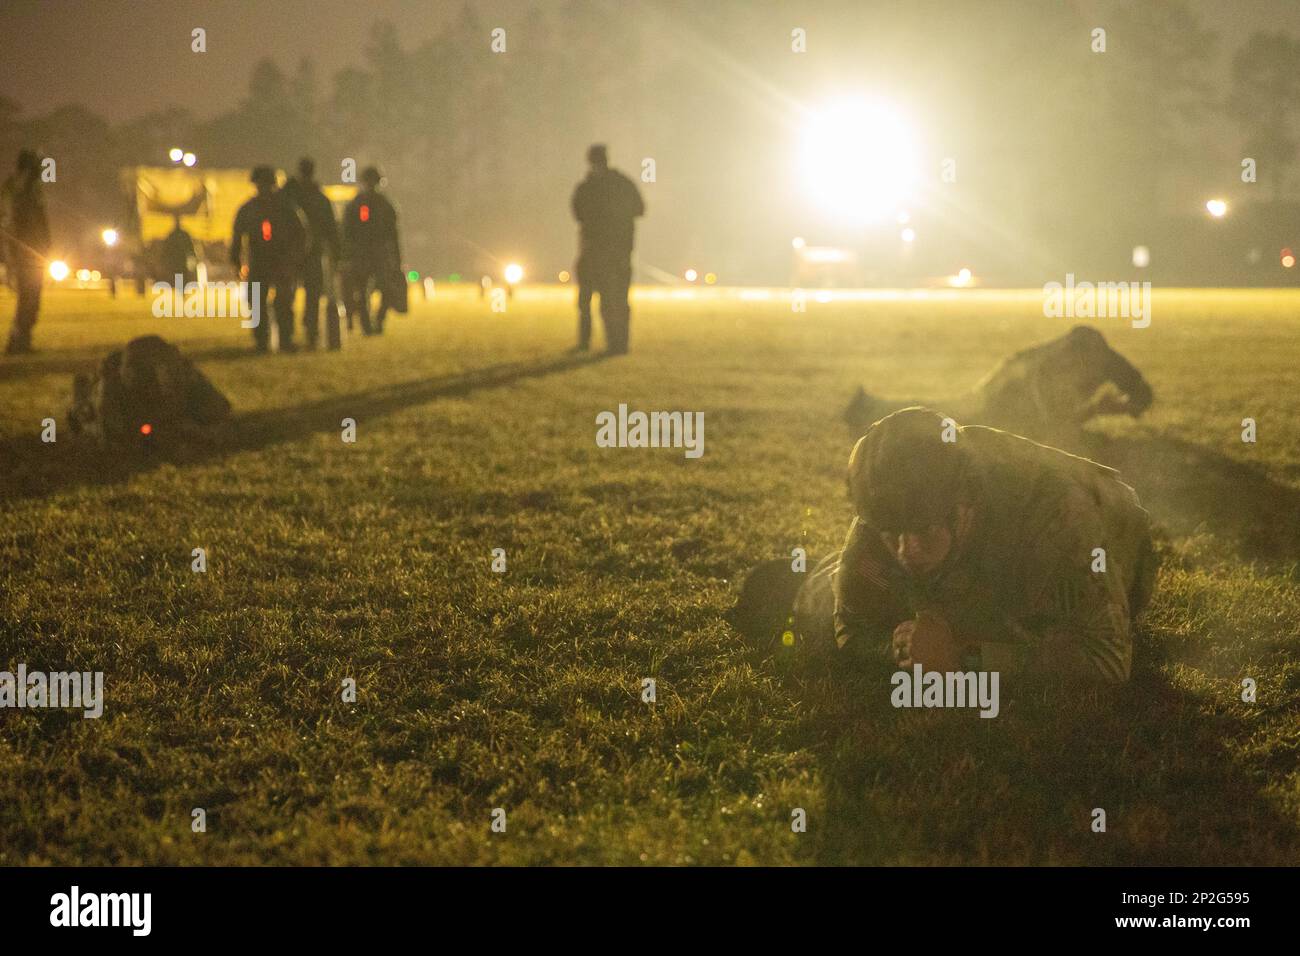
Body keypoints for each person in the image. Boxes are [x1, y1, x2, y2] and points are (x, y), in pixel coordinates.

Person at [739, 407, 1157, 684]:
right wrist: (900, 651)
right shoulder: (895, 505)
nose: (906, 550)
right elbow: (851, 625)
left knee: (1024, 624)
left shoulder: (1058, 520)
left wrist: (966, 659)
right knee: (815, 608)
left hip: (1100, 560)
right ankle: (826, 572)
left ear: (966, 506)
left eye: (923, 531)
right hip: (976, 566)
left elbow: (1108, 661)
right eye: (891, 534)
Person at [843, 325, 1154, 451]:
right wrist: (1095, 410)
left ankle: (872, 406)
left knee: (953, 411)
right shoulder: (1044, 372)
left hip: (1022, 398)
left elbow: (1142, 392)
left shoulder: (1109, 363)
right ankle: (869, 409)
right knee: (953, 412)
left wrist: (1127, 406)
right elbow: (1050, 424)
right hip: (1005, 390)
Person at [570, 144, 644, 355]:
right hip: (617, 253)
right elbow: (640, 208)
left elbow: (577, 214)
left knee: (590, 300)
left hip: (594, 252)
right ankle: (618, 343)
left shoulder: (586, 188)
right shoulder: (623, 184)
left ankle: (588, 342)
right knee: (616, 300)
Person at [229, 166, 306, 353]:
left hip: (281, 260)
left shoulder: (286, 208)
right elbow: (237, 237)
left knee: (283, 302)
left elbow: (301, 234)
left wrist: (295, 259)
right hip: (261, 261)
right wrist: (237, 262)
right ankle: (262, 341)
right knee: (257, 302)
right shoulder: (254, 209)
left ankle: (284, 340)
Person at [285, 157, 341, 350]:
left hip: (291, 253)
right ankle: (310, 332)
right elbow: (332, 230)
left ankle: (288, 333)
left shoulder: (289, 195)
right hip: (311, 253)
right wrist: (337, 254)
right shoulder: (320, 198)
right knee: (312, 295)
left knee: (288, 295)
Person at [1, 149, 51, 355]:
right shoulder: (20, 193)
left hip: (31, 252)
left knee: (31, 298)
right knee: (28, 299)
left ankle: (22, 340)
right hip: (26, 254)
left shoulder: (27, 191)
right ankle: (18, 342)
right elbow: (16, 226)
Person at [341, 166, 400, 336]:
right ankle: (367, 325)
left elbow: (393, 233)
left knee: (386, 289)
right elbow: (347, 232)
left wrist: (396, 257)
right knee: (361, 291)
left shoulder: (385, 205)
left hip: (379, 253)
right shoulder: (356, 205)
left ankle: (379, 320)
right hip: (363, 254)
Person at [158, 215, 197, 285]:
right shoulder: (182, 234)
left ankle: (181, 289)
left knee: (180, 275)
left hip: (178, 260)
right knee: (181, 275)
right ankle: (181, 290)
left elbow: (166, 248)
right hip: (179, 260)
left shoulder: (175, 234)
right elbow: (190, 247)